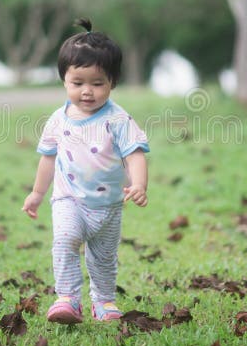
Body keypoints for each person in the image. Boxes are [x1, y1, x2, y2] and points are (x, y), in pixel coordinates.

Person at [21, 18, 150, 324]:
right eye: (78, 83)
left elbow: (135, 155)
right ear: (64, 80)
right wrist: (38, 193)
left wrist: (140, 185)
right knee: (65, 241)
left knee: (103, 259)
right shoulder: (58, 119)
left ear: (112, 83)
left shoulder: (117, 120)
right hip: (69, 199)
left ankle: (104, 301)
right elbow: (48, 158)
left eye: (97, 83)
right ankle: (67, 298)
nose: (87, 92)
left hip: (109, 206)